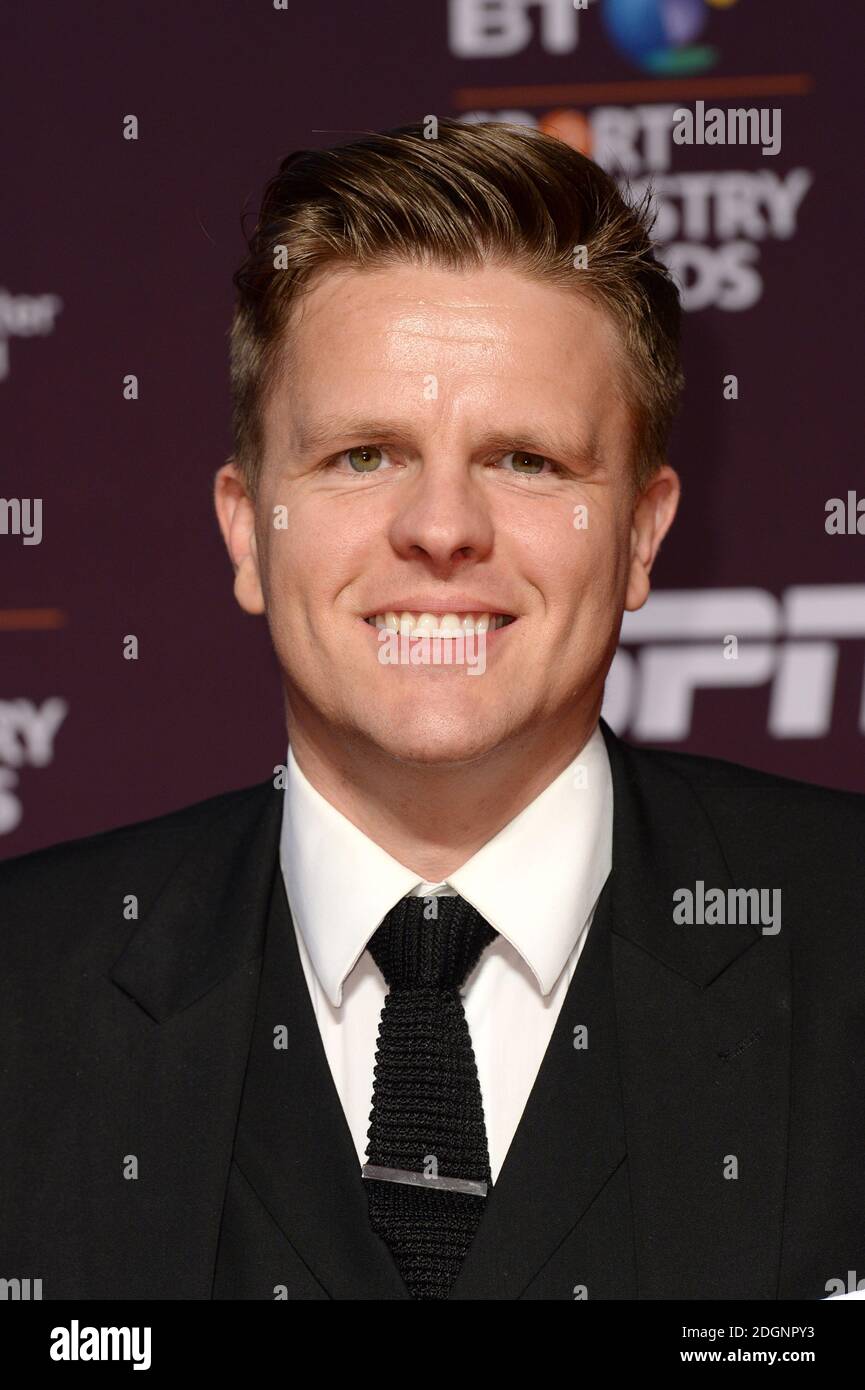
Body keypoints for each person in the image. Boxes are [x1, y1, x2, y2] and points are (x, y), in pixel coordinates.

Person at [1, 120, 863, 1301]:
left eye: (525, 459)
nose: (442, 525)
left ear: (642, 535)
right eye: (363, 456)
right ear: (248, 529)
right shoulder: (24, 990)